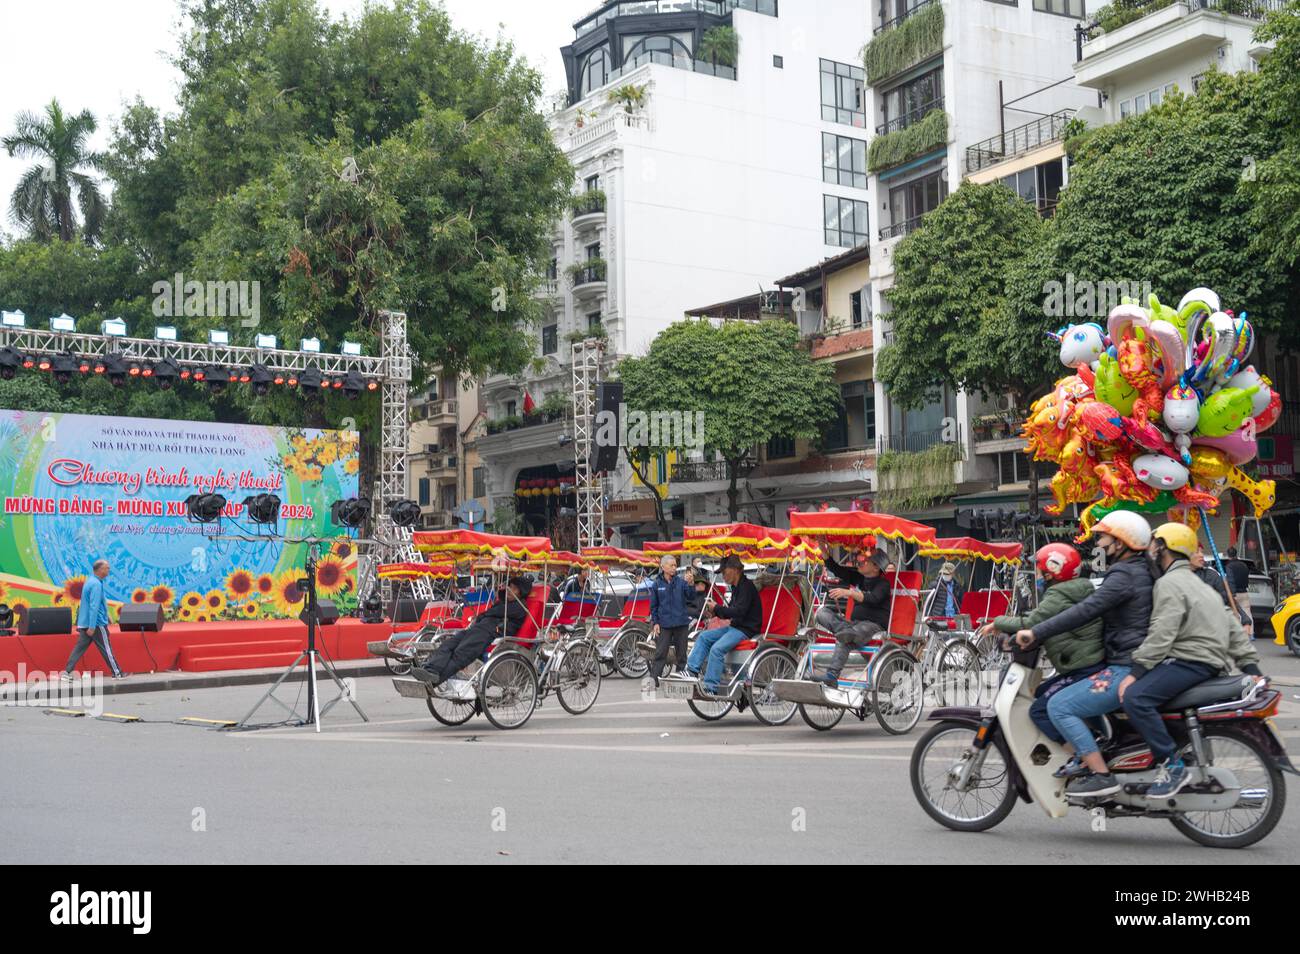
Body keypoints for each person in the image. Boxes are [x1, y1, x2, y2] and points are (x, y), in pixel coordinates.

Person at [1015, 510, 1155, 797]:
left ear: (1122, 542)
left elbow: (1085, 611)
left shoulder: (1124, 575)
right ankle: (1092, 752)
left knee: (1058, 706)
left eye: (1104, 537)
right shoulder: (1137, 571)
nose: (1100, 544)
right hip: (1127, 659)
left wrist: (1037, 632)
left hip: (1124, 666)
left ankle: (1101, 775)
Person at [1120, 523, 1265, 798]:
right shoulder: (1200, 586)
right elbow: (1233, 628)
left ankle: (1172, 767)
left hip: (1190, 663)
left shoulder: (1169, 584)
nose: (1151, 550)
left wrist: (1136, 671)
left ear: (1164, 548)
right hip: (1212, 665)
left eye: (1155, 545)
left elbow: (1162, 633)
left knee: (1135, 698)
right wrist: (1251, 667)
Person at [984, 543, 1104, 750]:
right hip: (1087, 664)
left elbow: (1032, 622)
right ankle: (1093, 737)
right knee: (1040, 692)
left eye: (1040, 569)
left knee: (1038, 711)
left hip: (1082, 668)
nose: (1037, 573)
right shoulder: (1078, 589)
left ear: (1053, 569)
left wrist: (997, 623)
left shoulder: (1058, 594)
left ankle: (1081, 754)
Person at [410, 575, 534, 688]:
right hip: (478, 628)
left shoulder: (520, 607)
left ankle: (434, 681)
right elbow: (488, 613)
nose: (509, 590)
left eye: (514, 589)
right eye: (509, 587)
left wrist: (482, 616)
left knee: (460, 654)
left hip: (490, 633)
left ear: (521, 593)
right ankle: (430, 670)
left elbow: (493, 614)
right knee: (448, 644)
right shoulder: (502, 602)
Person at [813, 547, 890, 687]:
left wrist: (849, 593)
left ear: (876, 567)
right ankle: (845, 630)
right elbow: (837, 570)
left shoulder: (883, 584)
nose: (860, 561)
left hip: (872, 626)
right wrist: (825, 552)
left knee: (845, 636)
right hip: (852, 625)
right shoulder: (859, 578)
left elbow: (873, 598)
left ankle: (832, 675)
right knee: (821, 613)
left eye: (865, 560)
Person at [684, 556, 761, 694]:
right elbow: (730, 611)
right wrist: (714, 613)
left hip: (746, 629)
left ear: (735, 570)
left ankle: (711, 687)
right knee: (703, 637)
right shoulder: (736, 587)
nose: (723, 577)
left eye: (725, 573)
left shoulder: (746, 587)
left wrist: (717, 608)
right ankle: (691, 671)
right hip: (734, 626)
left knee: (716, 649)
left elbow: (738, 612)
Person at [62, 559, 125, 680]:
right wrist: (92, 626)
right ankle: (117, 673)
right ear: (100, 570)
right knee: (106, 649)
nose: (109, 570)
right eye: (107, 568)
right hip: (96, 624)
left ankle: (66, 673)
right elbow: (94, 606)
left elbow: (97, 603)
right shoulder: (96, 584)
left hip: (87, 623)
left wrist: (107, 615)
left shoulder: (91, 581)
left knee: (79, 649)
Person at [648, 555, 692, 681]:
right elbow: (654, 606)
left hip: (681, 623)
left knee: (681, 654)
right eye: (671, 565)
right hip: (664, 624)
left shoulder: (681, 583)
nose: (674, 568)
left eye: (675, 565)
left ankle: (680, 679)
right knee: (660, 653)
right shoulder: (656, 584)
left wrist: (690, 584)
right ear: (663, 567)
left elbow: (691, 596)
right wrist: (655, 623)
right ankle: (654, 679)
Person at [1223, 547, 1254, 638]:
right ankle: (1251, 634)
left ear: (1228, 555)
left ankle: (1238, 635)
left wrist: (1232, 594)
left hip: (1235, 593)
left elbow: (1231, 580)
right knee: (1248, 613)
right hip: (1244, 592)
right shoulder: (1244, 565)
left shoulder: (1229, 566)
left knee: (1235, 614)